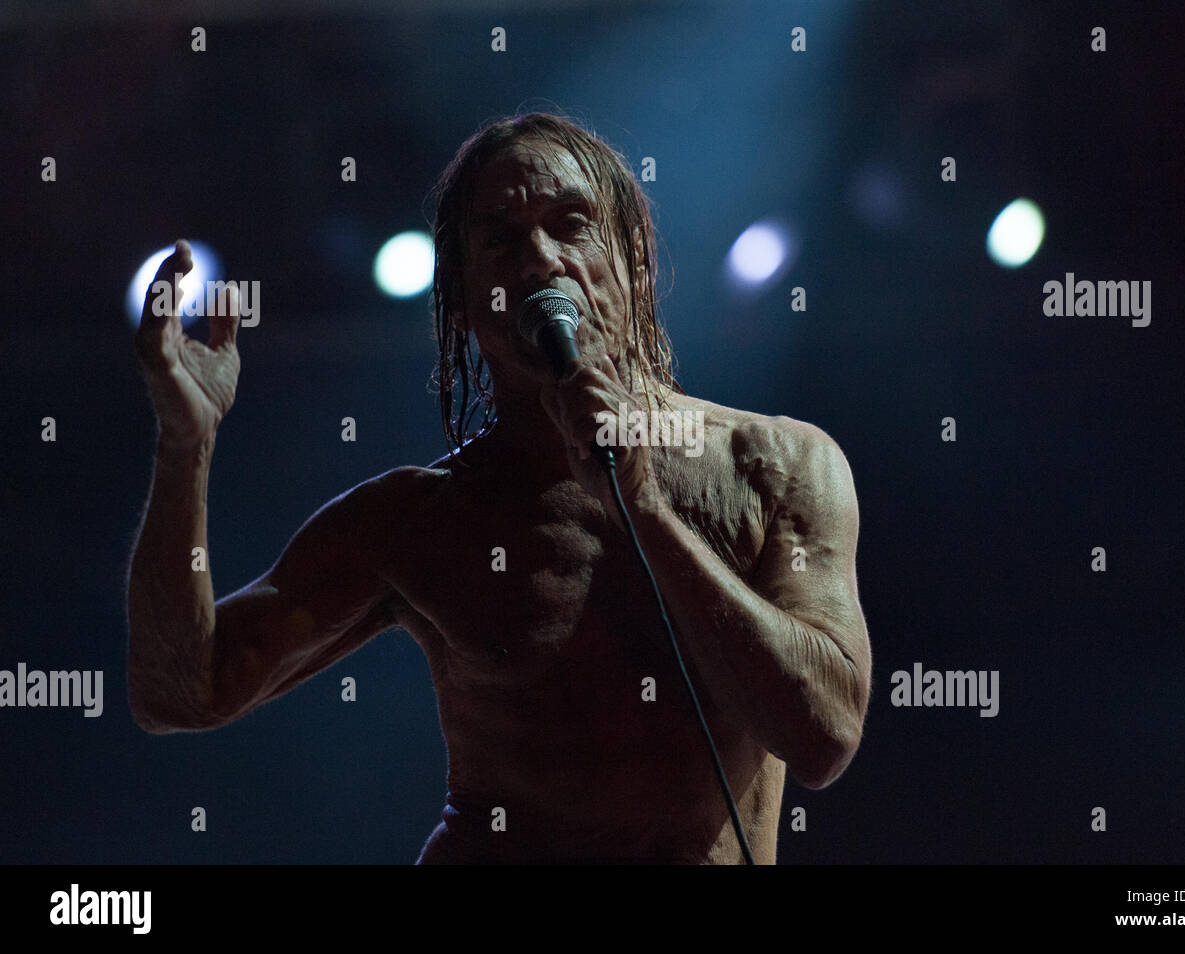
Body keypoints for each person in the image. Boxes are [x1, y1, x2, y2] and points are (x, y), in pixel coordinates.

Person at [127, 112, 871, 863]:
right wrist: (184, 447)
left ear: (635, 260)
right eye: (502, 238)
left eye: (569, 224)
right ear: (464, 301)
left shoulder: (775, 465)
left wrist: (643, 509)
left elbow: (824, 737)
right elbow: (179, 693)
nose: (539, 260)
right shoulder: (420, 518)